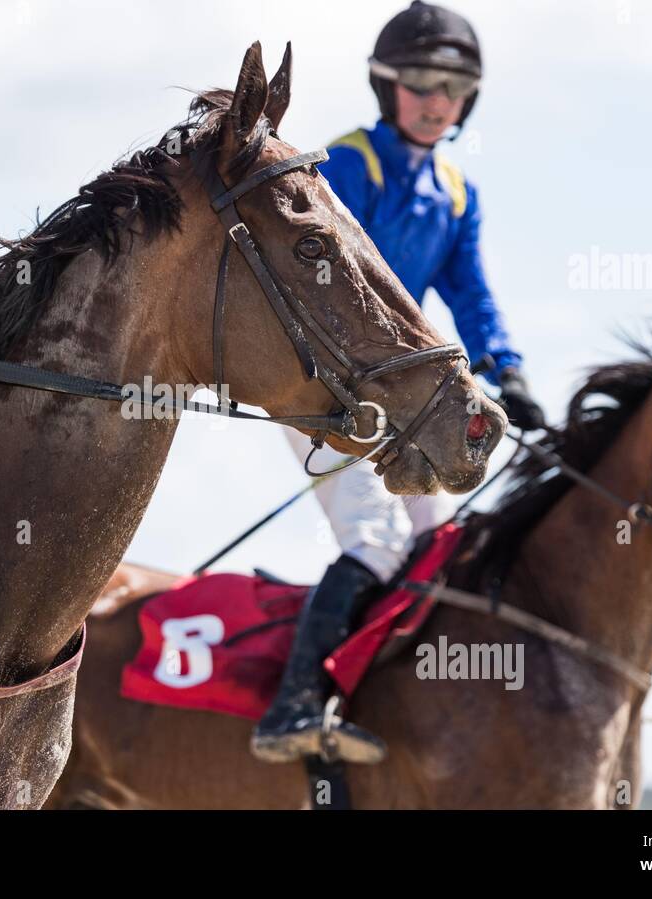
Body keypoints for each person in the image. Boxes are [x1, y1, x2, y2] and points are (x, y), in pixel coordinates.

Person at [251, 1, 545, 764]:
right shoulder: (347, 164)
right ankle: (294, 706)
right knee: (379, 539)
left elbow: (472, 296)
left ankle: (377, 692)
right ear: (388, 87)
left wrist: (508, 369)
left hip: (402, 403)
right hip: (326, 391)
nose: (435, 100)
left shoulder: (455, 192)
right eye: (419, 82)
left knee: (438, 542)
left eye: (452, 86)